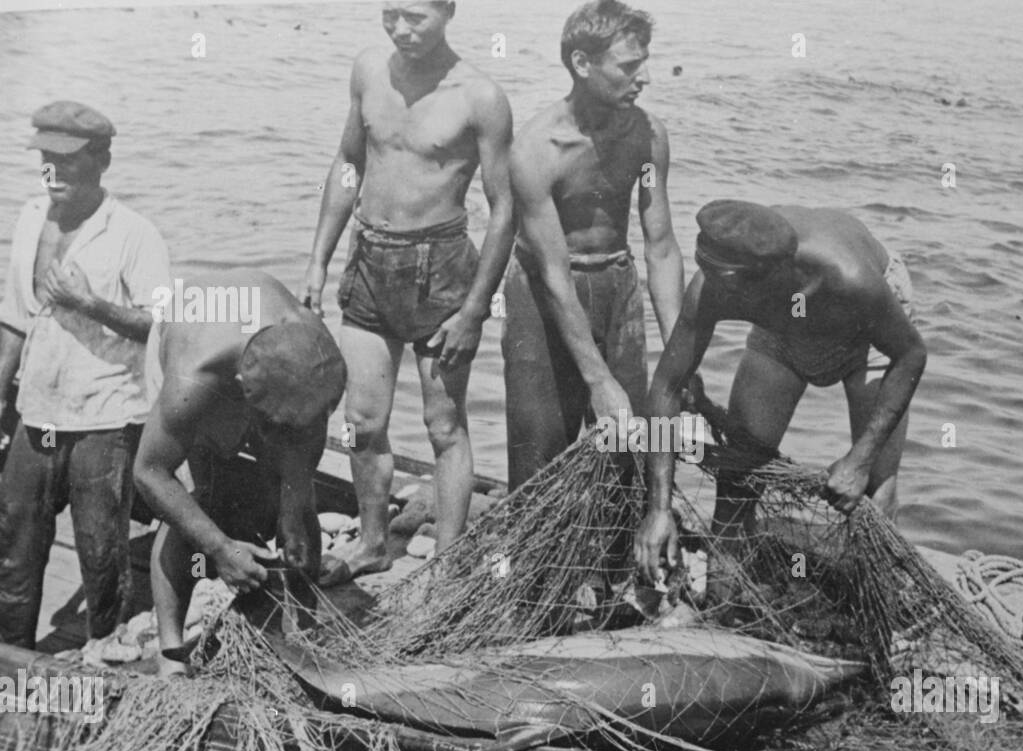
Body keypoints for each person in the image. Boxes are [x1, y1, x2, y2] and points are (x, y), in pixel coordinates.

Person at [301, 0, 514, 585]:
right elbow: (348, 164)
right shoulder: (369, 69)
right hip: (369, 262)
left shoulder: (480, 96)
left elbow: (504, 211)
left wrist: (473, 310)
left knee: (444, 426)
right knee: (363, 422)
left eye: (416, 16)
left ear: (448, 11)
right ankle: (372, 543)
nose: (401, 29)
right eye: (390, 13)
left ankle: (447, 565)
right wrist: (318, 262)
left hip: (441, 268)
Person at [634, 200, 927, 582]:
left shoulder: (847, 279)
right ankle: (726, 603)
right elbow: (665, 389)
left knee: (873, 490)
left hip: (863, 329)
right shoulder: (717, 283)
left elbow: (911, 355)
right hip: (785, 330)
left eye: (738, 291)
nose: (726, 296)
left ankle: (878, 607)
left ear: (777, 274)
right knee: (738, 476)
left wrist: (862, 458)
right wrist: (658, 510)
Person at [0, 102, 170, 652]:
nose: (53, 172)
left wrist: (88, 303)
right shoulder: (30, 218)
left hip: (106, 414)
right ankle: (14, 656)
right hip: (38, 410)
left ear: (103, 160)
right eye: (46, 158)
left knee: (100, 551)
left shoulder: (135, 234)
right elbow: (14, 319)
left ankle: (105, 650)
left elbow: (160, 326)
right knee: (14, 543)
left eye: (67, 161)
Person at [503, 0, 683, 491]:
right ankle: (535, 565)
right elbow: (555, 275)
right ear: (582, 64)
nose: (644, 77)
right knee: (539, 453)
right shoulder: (537, 150)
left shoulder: (648, 137)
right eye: (629, 66)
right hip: (542, 293)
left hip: (616, 285)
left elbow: (662, 247)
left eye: (645, 61)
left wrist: (679, 349)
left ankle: (616, 564)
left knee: (627, 447)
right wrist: (598, 381)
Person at [134, 271, 346, 676]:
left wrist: (293, 501)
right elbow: (150, 472)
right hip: (189, 327)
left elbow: (304, 448)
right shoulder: (193, 376)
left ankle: (305, 627)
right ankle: (170, 651)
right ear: (238, 388)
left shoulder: (318, 353)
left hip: (257, 338)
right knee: (202, 499)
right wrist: (218, 548)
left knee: (293, 501)